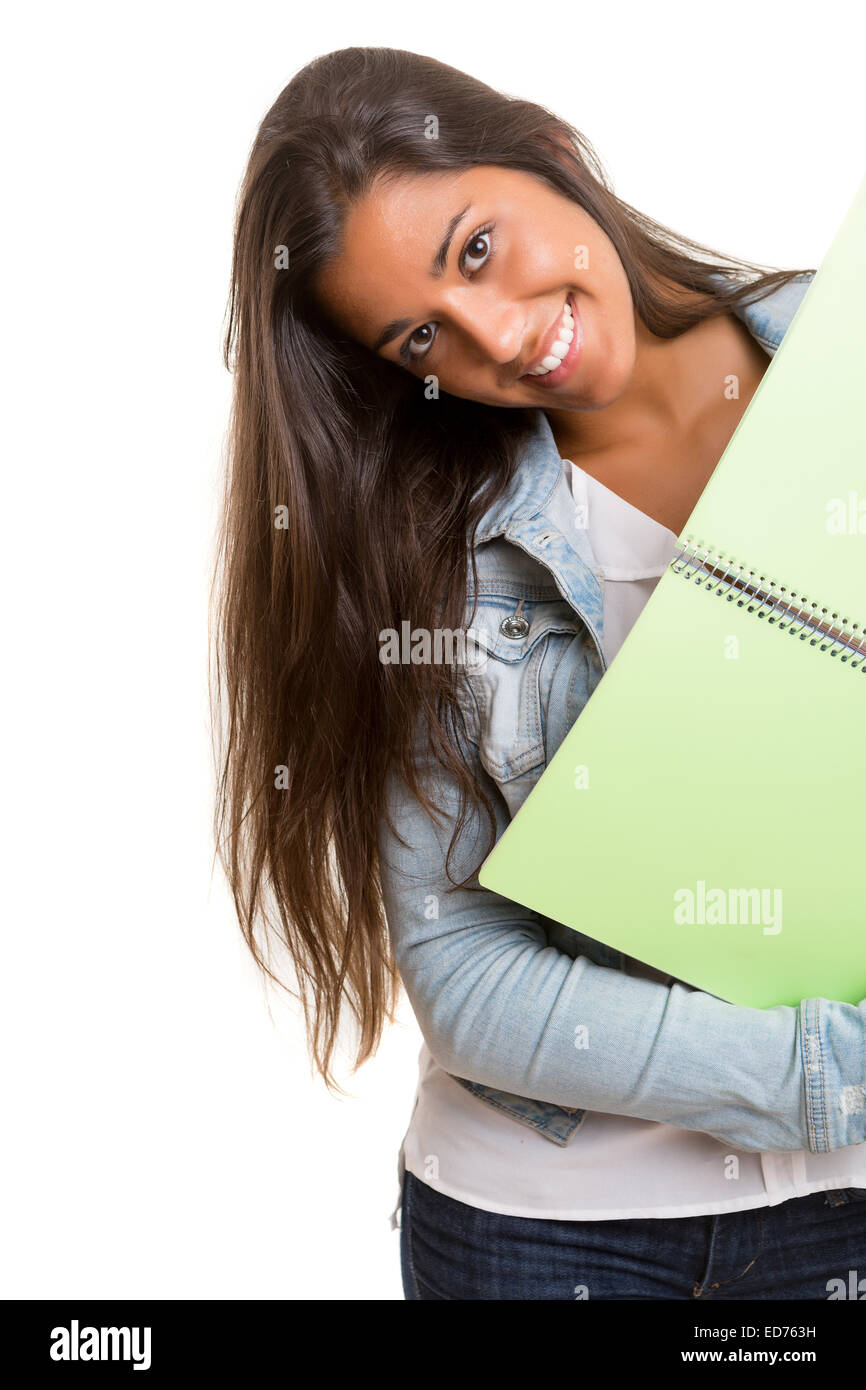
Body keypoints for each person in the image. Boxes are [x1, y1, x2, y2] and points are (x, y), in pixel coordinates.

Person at [211, 45, 866, 1300]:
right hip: (546, 1234)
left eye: (475, 248)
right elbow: (462, 972)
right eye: (422, 334)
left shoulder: (839, 364)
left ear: (548, 151)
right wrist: (823, 1073)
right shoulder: (422, 551)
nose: (504, 334)